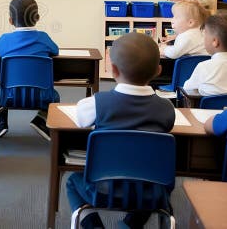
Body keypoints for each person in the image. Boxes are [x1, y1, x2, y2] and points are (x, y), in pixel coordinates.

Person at [68, 33, 175, 229]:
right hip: (151, 192)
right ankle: (131, 224)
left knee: (72, 181)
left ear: (113, 70)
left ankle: (93, 226)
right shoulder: (167, 108)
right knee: (151, 185)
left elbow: (80, 120)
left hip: (103, 190)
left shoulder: (96, 104)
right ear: (158, 70)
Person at [0, 0, 59, 140]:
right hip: (42, 97)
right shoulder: (44, 38)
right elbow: (55, 50)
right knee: (55, 96)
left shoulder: (5, 39)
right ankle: (41, 120)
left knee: (3, 90)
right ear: (38, 18)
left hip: (9, 97)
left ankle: (1, 123)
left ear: (10, 20)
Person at [182, 14, 227, 96]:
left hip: (207, 108)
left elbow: (187, 89)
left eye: (204, 35)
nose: (203, 39)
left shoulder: (204, 66)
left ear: (215, 42)